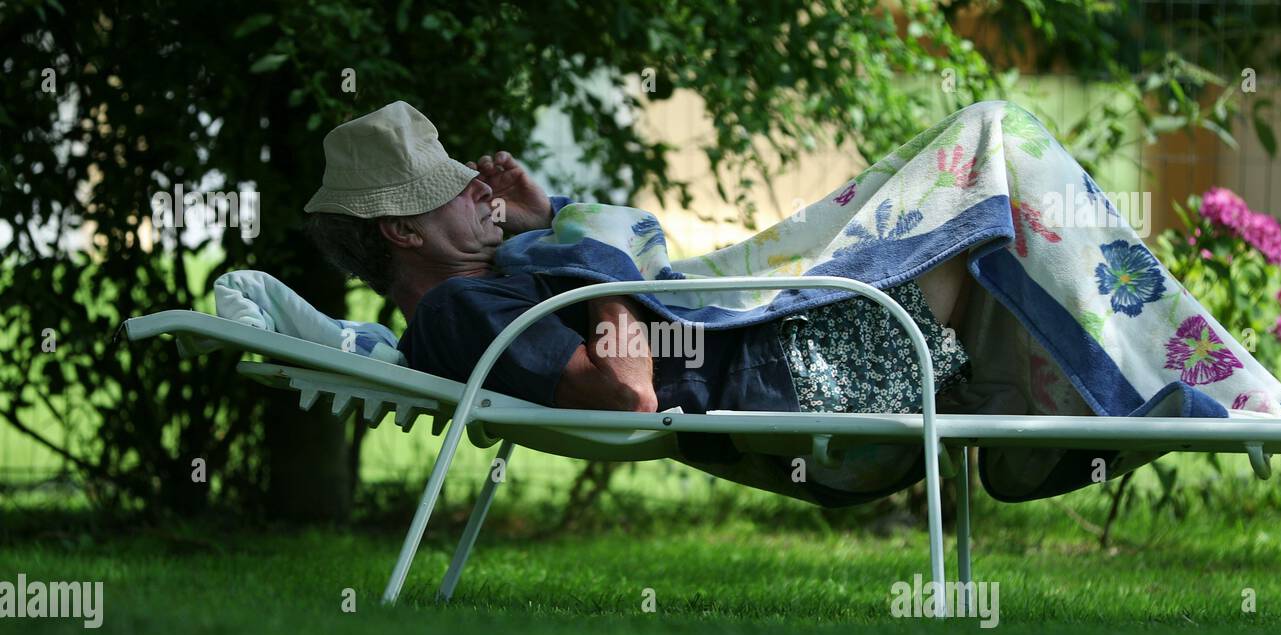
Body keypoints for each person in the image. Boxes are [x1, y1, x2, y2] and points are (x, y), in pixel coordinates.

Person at [302, 101, 974, 432]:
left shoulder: (490, 283)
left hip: (792, 356)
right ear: (400, 231)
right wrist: (578, 248)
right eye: (448, 188)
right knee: (986, 154)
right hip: (794, 374)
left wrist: (550, 223)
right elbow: (629, 394)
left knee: (985, 178)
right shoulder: (459, 309)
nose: (479, 186)